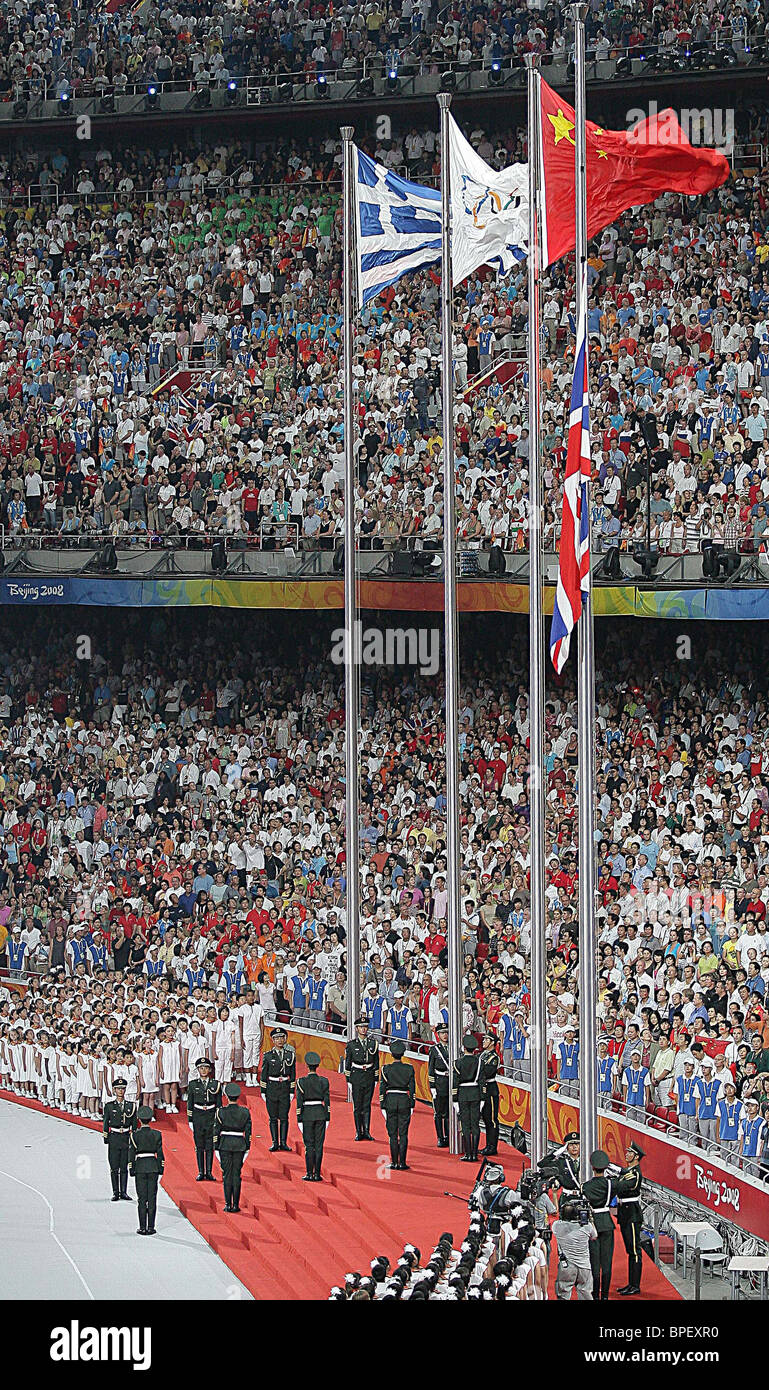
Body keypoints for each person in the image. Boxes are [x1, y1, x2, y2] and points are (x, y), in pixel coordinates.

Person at [581, 1149, 615, 1301]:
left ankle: (595, 1294)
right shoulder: (611, 1185)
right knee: (606, 1262)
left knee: (594, 1262)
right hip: (607, 1223)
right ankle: (605, 1296)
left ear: (592, 1167)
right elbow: (627, 1182)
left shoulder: (586, 1187)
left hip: (592, 1224)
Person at [214, 1081, 252, 1213]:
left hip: (224, 1144)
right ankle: (235, 1205)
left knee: (227, 1175)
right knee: (236, 1175)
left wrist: (216, 1147)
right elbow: (248, 1133)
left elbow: (216, 1131)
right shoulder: (245, 1112)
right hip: (239, 1145)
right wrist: (247, 1147)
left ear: (226, 1096)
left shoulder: (221, 1112)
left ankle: (227, 1204)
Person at [614, 1140, 645, 1295]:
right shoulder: (627, 1171)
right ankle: (631, 1283)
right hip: (625, 1212)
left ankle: (635, 1284)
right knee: (629, 1250)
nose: (627, 1154)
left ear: (636, 1156)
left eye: (630, 1152)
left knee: (634, 1250)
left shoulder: (635, 1174)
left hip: (632, 1212)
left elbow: (624, 1187)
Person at [380, 1038, 416, 1170]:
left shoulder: (386, 1069)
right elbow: (412, 1089)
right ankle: (403, 1163)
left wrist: (382, 1104)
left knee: (393, 1134)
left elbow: (382, 1089)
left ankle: (394, 1162)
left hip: (390, 1101)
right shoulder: (409, 1069)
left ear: (391, 1054)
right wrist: (412, 1103)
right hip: (404, 1101)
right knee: (404, 1133)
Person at [552, 1195, 597, 1301]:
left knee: (563, 1294)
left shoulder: (557, 1226)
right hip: (584, 1266)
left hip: (567, 1267)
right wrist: (590, 1219)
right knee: (585, 1293)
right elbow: (594, 1236)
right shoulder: (587, 1227)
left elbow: (559, 1220)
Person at [129, 1106, 164, 1236]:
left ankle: (142, 1227)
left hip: (140, 1167)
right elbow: (160, 1154)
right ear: (150, 1119)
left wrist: (131, 1169)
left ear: (138, 1119)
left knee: (142, 1199)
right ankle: (151, 1227)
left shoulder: (134, 1135)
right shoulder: (157, 1134)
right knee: (152, 1198)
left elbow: (131, 1154)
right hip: (153, 1166)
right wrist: (160, 1168)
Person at [259, 1025, 295, 1151]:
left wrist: (291, 1091)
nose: (279, 1040)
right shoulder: (268, 1056)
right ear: (273, 1040)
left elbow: (293, 1074)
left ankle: (283, 1142)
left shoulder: (290, 1055)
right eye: (276, 1038)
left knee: (284, 1117)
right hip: (272, 1088)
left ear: (285, 1039)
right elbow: (264, 1075)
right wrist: (263, 1091)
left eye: (281, 1037)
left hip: (284, 1088)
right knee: (273, 1117)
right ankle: (275, 1142)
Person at [296, 1050, 330, 1181]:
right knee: (319, 1145)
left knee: (309, 1145)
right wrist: (328, 1117)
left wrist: (299, 1118)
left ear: (306, 1065)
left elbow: (299, 1103)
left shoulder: (301, 1082)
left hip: (307, 1115)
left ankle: (309, 1173)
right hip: (321, 1113)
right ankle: (317, 1174)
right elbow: (327, 1101)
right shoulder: (324, 1081)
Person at [186, 1055, 222, 1182]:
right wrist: (190, 1120)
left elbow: (219, 1104)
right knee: (199, 1145)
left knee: (210, 1145)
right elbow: (190, 1103)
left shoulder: (215, 1084)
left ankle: (209, 1172)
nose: (203, 1070)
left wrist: (218, 1119)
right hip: (198, 1116)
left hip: (211, 1116)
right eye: (201, 1068)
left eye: (206, 1068)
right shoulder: (193, 1084)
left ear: (210, 1070)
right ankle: (201, 1171)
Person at [102, 1076, 137, 1202]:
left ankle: (124, 1192)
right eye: (118, 1089)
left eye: (122, 1089)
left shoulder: (131, 1106)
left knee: (124, 1166)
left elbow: (134, 1124)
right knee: (114, 1167)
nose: (120, 1091)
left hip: (126, 1137)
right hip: (115, 1137)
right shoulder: (109, 1106)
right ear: (114, 1090)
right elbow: (106, 1122)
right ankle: (115, 1192)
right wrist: (106, 1137)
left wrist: (133, 1141)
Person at [344, 1015, 379, 1141]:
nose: (364, 1029)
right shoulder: (351, 1045)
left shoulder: (373, 1043)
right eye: (361, 1027)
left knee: (367, 1105)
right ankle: (359, 1131)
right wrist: (348, 1080)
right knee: (358, 1106)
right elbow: (347, 1064)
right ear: (357, 1029)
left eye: (365, 1027)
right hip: (357, 1076)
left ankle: (367, 1131)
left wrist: (376, 1078)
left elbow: (376, 1062)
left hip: (369, 1075)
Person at [452, 1033, 483, 1162]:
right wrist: (482, 1098)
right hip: (476, 1093)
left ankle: (468, 1154)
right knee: (475, 1125)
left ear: (464, 1048)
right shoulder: (480, 1062)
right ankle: (475, 1154)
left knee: (465, 1125)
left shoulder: (458, 1063)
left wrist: (454, 1099)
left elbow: (455, 1082)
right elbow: (482, 1081)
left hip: (463, 1094)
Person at [427, 1021, 450, 1147]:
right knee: (438, 1113)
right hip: (440, 1082)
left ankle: (448, 1135)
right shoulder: (435, 1050)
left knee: (448, 1112)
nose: (445, 1035)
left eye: (446, 1032)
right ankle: (440, 1137)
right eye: (442, 1033)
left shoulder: (453, 1048)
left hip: (449, 1082)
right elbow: (431, 1069)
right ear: (438, 1035)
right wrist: (433, 1087)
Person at [480, 1032, 500, 1156]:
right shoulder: (482, 1054)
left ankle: (492, 1146)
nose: (483, 1042)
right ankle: (488, 1144)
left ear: (492, 1042)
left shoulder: (493, 1057)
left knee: (492, 1119)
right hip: (483, 1088)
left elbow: (486, 1072)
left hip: (490, 1089)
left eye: (486, 1040)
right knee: (486, 1119)